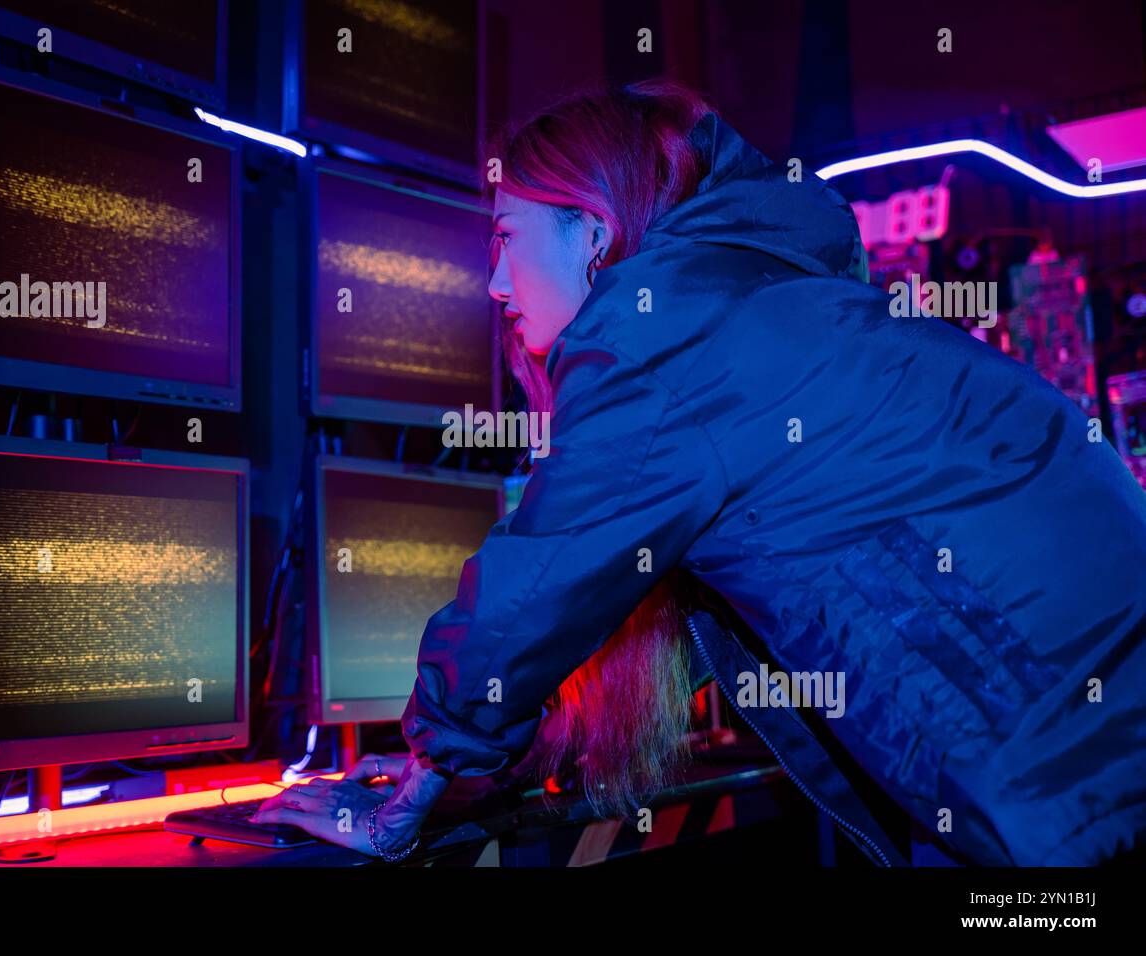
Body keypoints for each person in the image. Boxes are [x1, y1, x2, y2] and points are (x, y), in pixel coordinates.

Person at [253, 79, 1146, 866]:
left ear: (592, 236)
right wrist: (469, 759)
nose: (494, 281)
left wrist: (409, 798)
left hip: (1071, 772)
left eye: (507, 237)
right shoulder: (747, 309)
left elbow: (534, 586)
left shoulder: (660, 339)